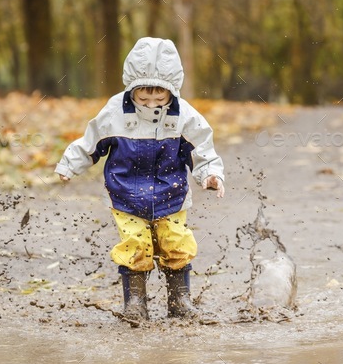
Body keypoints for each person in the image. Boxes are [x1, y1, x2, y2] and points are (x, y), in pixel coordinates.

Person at [55, 37, 225, 321]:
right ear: (130, 89)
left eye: (160, 99)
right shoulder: (114, 112)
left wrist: (210, 175)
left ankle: (179, 300)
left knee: (177, 242)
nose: (150, 104)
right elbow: (92, 142)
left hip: (171, 194)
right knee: (135, 246)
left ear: (172, 92)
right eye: (142, 99)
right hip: (126, 196)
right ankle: (135, 302)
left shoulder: (184, 116)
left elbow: (202, 150)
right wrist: (70, 164)